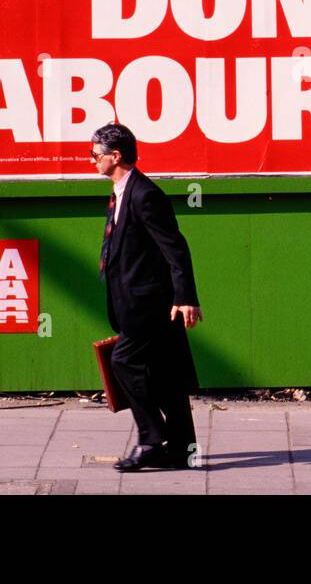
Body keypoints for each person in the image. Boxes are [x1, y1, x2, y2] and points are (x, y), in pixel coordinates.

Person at [91, 122, 203, 472]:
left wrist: (186, 297)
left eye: (95, 155)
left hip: (149, 304)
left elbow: (175, 248)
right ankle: (183, 451)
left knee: (123, 361)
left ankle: (151, 438)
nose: (92, 160)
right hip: (133, 301)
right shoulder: (121, 192)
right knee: (166, 375)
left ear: (115, 156)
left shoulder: (144, 195)